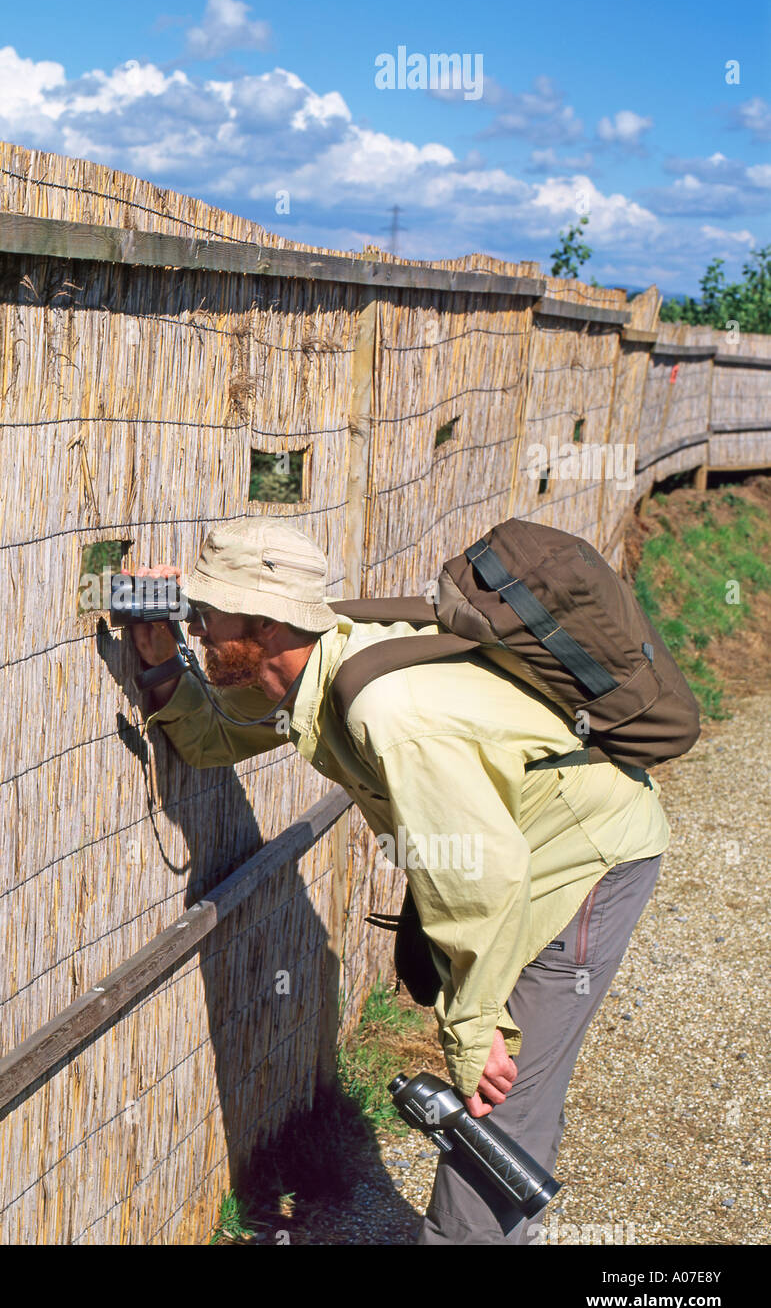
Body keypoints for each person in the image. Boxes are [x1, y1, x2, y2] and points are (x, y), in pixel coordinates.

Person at [129, 516, 669, 1245]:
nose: (193, 623)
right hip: (516, 857)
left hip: (583, 862)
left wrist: (473, 1025)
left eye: (205, 612)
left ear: (263, 623)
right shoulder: (314, 668)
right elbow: (215, 739)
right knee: (506, 1082)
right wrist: (162, 665)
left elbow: (478, 872)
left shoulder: (389, 711)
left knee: (495, 1095)